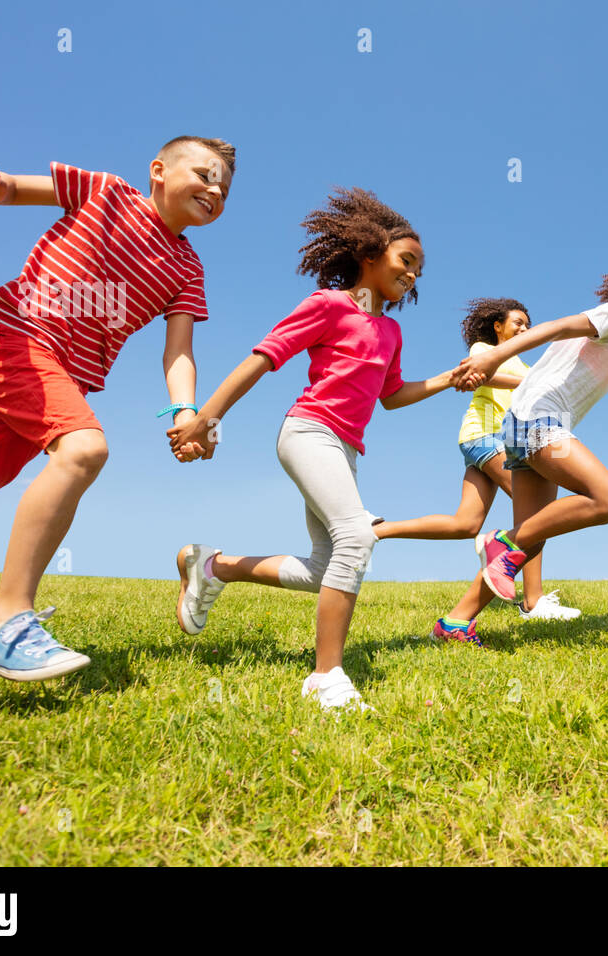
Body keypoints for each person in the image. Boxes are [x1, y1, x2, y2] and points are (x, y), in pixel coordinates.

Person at [0, 136, 236, 681]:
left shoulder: (187, 269)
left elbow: (178, 351)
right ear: (158, 170)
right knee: (84, 448)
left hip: (60, 381)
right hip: (17, 339)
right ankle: (5, 623)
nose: (214, 190)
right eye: (204, 175)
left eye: (224, 189)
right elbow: (12, 189)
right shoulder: (105, 192)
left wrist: (186, 412)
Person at [168, 187, 466, 711]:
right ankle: (325, 676)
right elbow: (260, 359)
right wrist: (204, 422)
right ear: (369, 255)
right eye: (406, 260)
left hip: (345, 450)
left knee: (323, 566)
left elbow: (392, 397)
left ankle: (212, 566)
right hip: (308, 433)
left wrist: (448, 378)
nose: (413, 274)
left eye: (420, 268)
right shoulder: (328, 306)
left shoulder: (391, 331)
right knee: (357, 536)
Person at [435, 250, 608, 640]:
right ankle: (499, 542)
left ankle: (454, 622)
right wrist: (496, 356)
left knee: (530, 539)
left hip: (528, 422)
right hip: (537, 419)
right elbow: (554, 327)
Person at [372, 297, 581, 636]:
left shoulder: (527, 369)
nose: (524, 329)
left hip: (496, 444)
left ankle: (377, 530)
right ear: (498, 326)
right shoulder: (484, 348)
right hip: (485, 437)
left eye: (528, 325)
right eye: (518, 322)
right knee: (536, 515)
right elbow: (480, 375)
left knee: (465, 524)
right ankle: (533, 601)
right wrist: (530, 384)